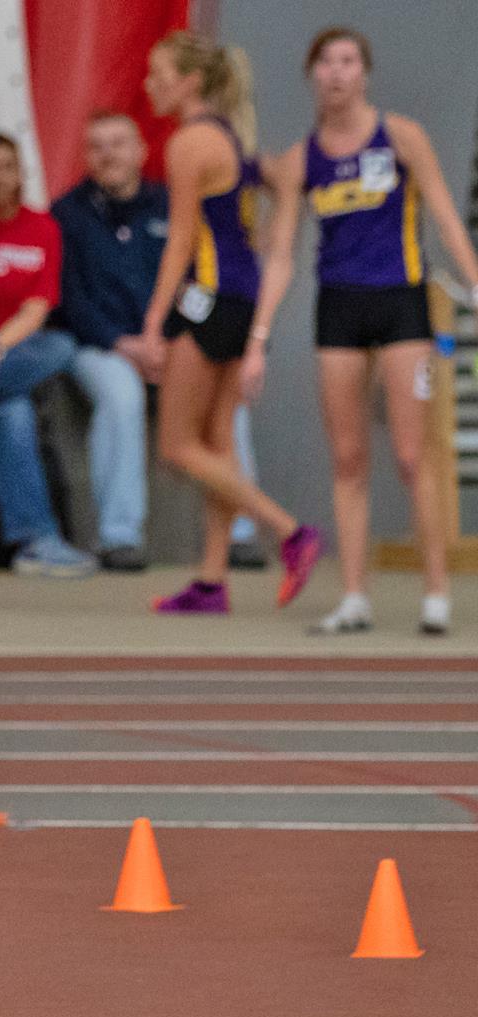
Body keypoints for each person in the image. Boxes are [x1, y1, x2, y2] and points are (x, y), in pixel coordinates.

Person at [253, 27, 478, 636]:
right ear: (312, 75)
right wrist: (259, 334)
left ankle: (436, 590)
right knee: (348, 459)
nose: (335, 72)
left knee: (411, 454)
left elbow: (444, 216)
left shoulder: (401, 136)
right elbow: (280, 255)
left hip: (403, 305)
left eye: (348, 61)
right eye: (324, 61)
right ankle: (354, 594)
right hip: (340, 310)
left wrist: (474, 282)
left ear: (365, 73)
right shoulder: (304, 158)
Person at [140, 31, 320, 615]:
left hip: (210, 299)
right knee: (217, 443)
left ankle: (288, 530)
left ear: (190, 82)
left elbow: (181, 245)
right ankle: (212, 581)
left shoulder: (191, 140)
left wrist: (152, 325)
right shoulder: (231, 135)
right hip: (237, 300)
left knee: (177, 445)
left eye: (159, 74)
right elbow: (277, 180)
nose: (150, 84)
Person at [53, 111, 270, 572]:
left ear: (141, 151)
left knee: (228, 404)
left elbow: (197, 281)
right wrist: (122, 343)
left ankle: (241, 532)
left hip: (171, 341)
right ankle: (120, 537)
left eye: (119, 142)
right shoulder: (67, 215)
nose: (109, 154)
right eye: (98, 145)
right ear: (86, 156)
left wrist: (175, 342)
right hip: (101, 348)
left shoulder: (171, 205)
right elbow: (68, 300)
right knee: (121, 395)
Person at [0, 133, 97, 577]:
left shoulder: (42, 228)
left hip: (9, 350)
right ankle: (37, 541)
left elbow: (37, 309)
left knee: (60, 348)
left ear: (21, 173)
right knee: (13, 406)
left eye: (8, 167)